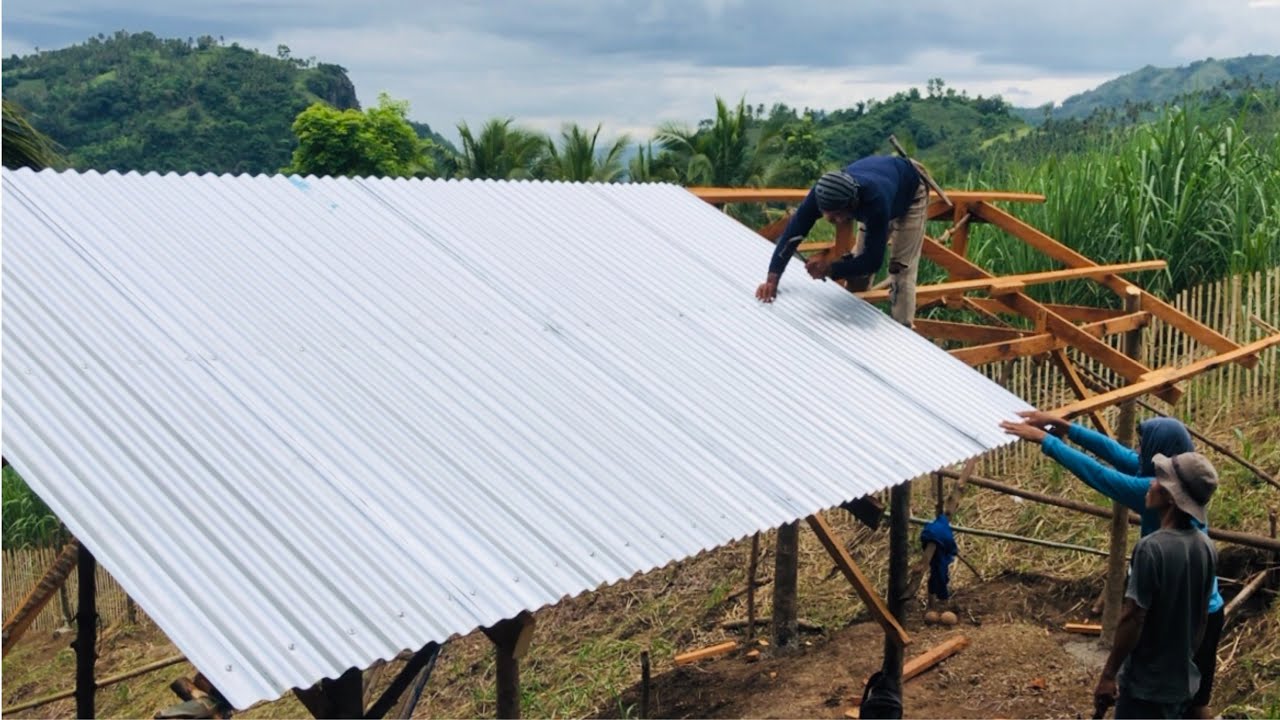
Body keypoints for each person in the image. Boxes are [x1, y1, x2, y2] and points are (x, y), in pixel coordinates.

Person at [1000, 412, 1225, 718]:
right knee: (1191, 699)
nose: (1140, 452)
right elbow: (1118, 454)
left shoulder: (1151, 500)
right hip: (1205, 610)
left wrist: (1047, 441)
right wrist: (1069, 429)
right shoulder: (1188, 491)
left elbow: (1100, 475)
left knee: (1152, 693)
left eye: (1145, 447)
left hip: (1174, 609)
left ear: (1169, 492)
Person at [1099, 452, 1218, 718]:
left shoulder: (1151, 549)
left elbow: (1133, 618)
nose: (1151, 483)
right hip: (1180, 683)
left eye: (1158, 480)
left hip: (1146, 687)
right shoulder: (1206, 547)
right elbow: (1201, 620)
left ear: (1170, 497)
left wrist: (1109, 675)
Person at [754, 155, 928, 327]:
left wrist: (830, 269)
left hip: (911, 194)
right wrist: (772, 279)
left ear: (853, 204)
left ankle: (903, 330)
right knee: (857, 265)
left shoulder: (874, 201)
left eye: (839, 215)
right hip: (887, 182)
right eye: (830, 216)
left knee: (900, 269)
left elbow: (873, 261)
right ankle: (853, 318)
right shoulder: (821, 193)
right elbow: (792, 235)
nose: (837, 221)